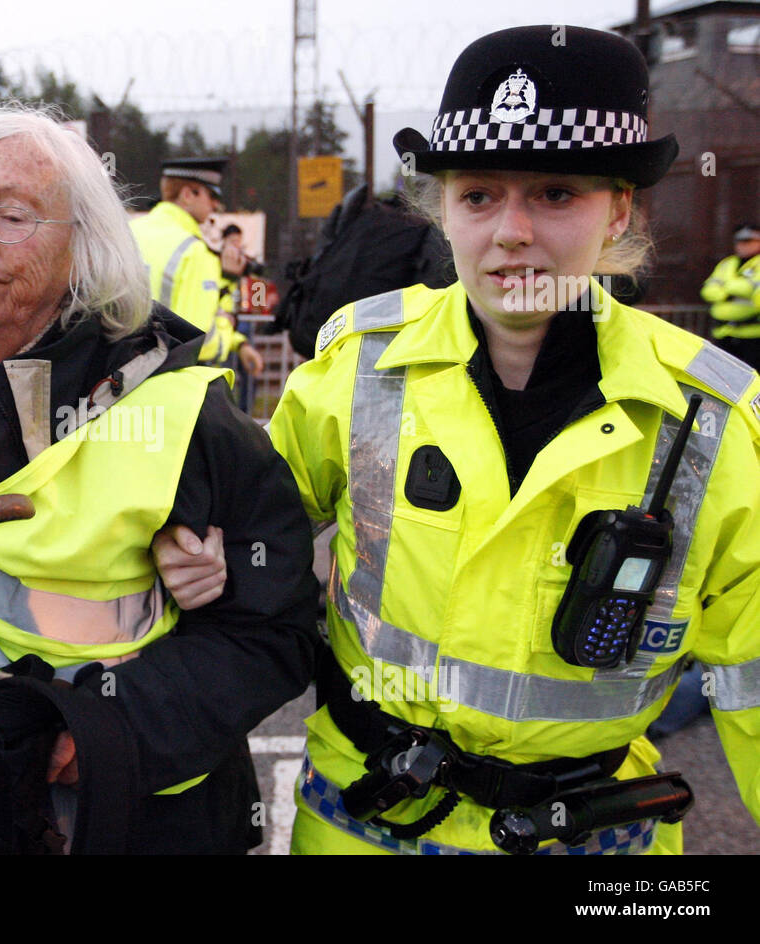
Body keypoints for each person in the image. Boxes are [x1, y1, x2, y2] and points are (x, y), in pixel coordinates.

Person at [160, 25, 760, 854]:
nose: (510, 231)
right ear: (443, 208)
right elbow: (246, 533)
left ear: (620, 206)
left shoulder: (713, 417)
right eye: (478, 195)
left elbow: (756, 674)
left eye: (555, 194)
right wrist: (203, 554)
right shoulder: (356, 364)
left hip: (597, 836)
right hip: (365, 823)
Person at [0, 105, 318, 854]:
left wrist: (106, 729)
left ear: (83, 253)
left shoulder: (181, 416)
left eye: (12, 215)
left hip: (128, 815)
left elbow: (275, 627)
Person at [131, 157, 263, 377]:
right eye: (211, 195)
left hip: (116, 378)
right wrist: (227, 326)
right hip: (168, 380)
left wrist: (240, 344)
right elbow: (200, 339)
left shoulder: (127, 232)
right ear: (187, 194)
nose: (215, 205)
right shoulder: (195, 252)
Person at [701, 223, 760, 370]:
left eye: (747, 242)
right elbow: (708, 291)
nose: (741, 246)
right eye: (739, 242)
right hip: (724, 332)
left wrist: (726, 287)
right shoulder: (727, 264)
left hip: (752, 335)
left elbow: (751, 288)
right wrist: (735, 289)